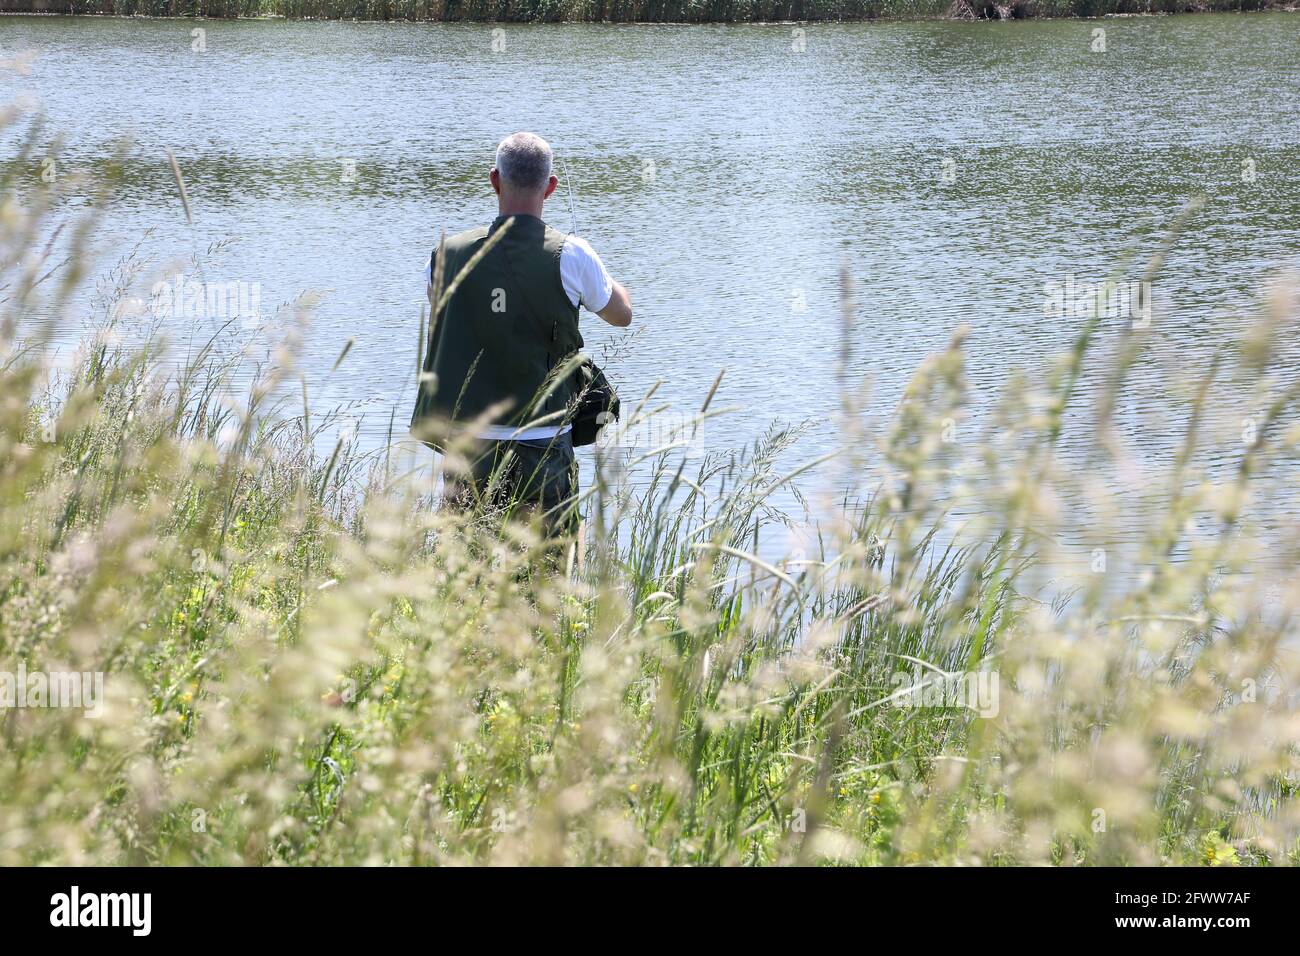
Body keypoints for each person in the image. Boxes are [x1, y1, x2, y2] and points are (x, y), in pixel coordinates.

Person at [411, 132, 632, 537]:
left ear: (494, 180)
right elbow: (622, 315)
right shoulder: (573, 255)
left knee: (464, 571)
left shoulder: (446, 254)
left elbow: (450, 311)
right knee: (548, 574)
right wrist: (595, 272)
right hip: (543, 445)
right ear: (550, 187)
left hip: (466, 446)